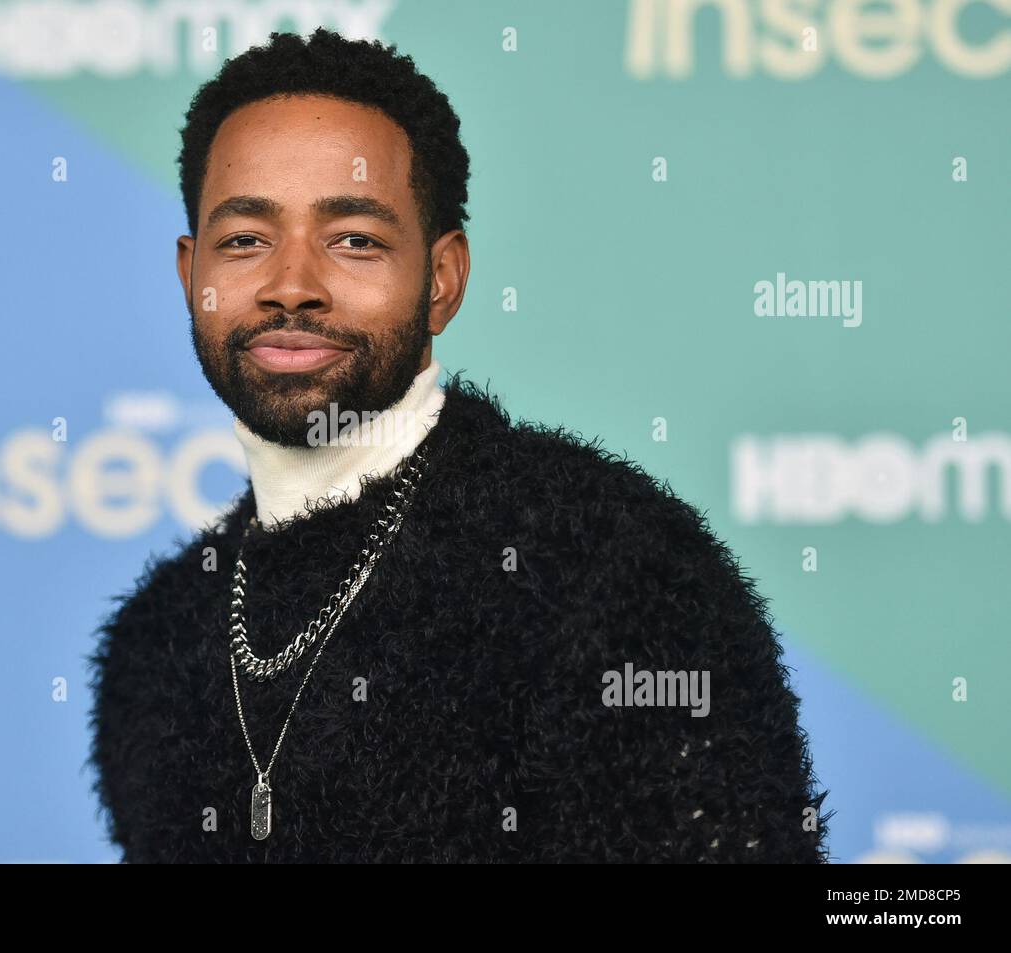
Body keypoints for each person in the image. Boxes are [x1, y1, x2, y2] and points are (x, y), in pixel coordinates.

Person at [89, 27, 831, 863]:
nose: (291, 285)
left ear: (442, 280)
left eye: (355, 240)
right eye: (246, 240)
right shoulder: (153, 646)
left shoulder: (609, 565)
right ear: (193, 273)